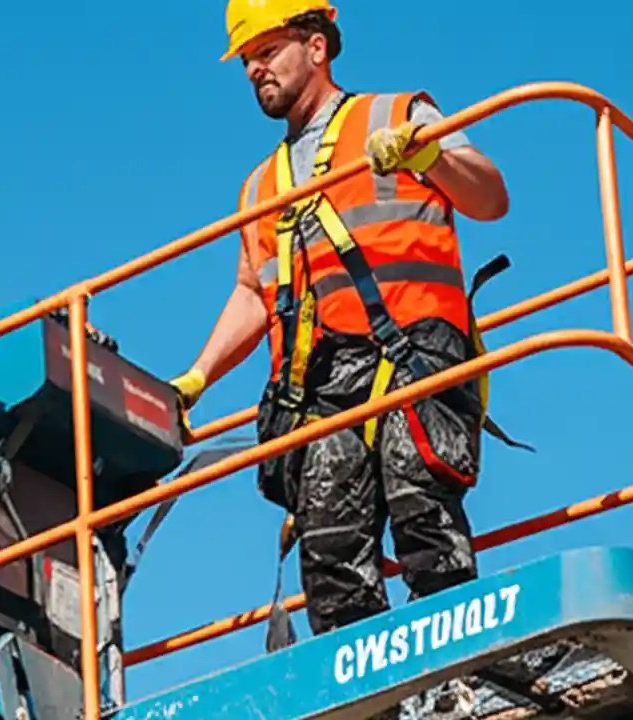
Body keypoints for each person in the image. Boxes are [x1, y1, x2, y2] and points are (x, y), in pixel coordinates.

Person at [169, 0, 513, 642]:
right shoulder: (259, 186)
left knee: (424, 519)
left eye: (267, 51)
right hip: (317, 390)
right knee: (330, 558)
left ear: (317, 47)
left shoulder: (396, 116)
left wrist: (426, 158)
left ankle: (459, 686)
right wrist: (195, 379)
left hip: (413, 354)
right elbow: (253, 294)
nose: (254, 70)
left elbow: (490, 196)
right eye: (247, 60)